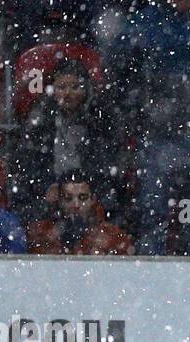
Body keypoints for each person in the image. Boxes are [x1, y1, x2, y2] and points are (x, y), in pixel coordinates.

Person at [106, 0, 190, 255]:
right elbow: (120, 68)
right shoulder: (144, 21)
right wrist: (141, 110)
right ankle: (151, 274)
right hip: (158, 133)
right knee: (152, 214)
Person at [10, 58, 121, 222]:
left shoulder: (101, 120)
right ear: (53, 90)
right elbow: (30, 164)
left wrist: (88, 189)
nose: (68, 93)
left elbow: (107, 163)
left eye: (75, 87)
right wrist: (47, 188)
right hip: (51, 193)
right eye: (62, 87)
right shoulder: (41, 121)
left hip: (90, 193)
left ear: (86, 89)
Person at [26, 171, 134, 256]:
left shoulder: (112, 235)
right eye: (68, 198)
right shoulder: (42, 232)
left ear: (93, 199)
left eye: (83, 198)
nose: (76, 204)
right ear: (59, 201)